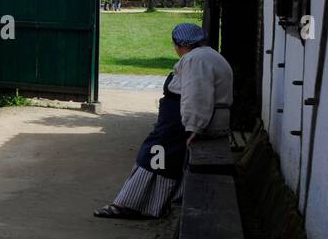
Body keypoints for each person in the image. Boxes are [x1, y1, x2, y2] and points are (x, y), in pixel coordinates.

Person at [94, 23, 233, 219]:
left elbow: (197, 95)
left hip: (180, 126)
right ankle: (153, 203)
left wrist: (193, 127)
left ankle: (134, 205)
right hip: (180, 123)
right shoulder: (207, 55)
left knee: (154, 156)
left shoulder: (195, 60)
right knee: (161, 157)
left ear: (178, 44)